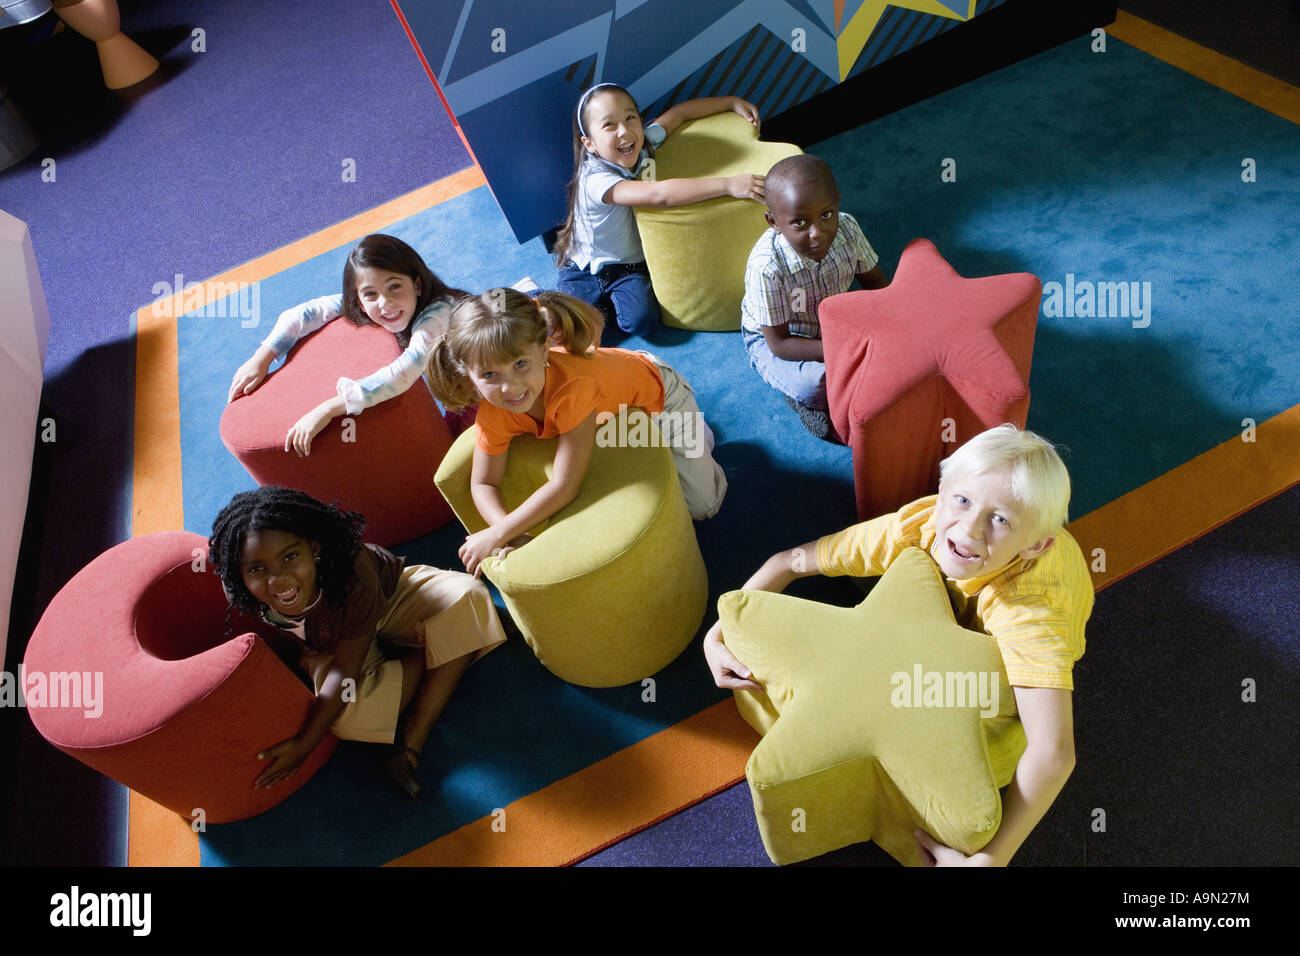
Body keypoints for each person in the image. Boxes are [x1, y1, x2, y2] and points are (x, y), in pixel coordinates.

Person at [703, 424, 1093, 865]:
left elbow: (1054, 752)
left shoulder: (1031, 614)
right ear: (942, 490)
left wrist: (994, 858)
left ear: (1035, 545)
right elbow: (791, 561)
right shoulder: (921, 525)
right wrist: (720, 631)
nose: (968, 530)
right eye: (963, 501)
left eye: (1000, 520)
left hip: (1016, 634)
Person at [208, 486, 506, 799]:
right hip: (326, 643)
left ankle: (409, 747)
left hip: (385, 601)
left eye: (291, 557)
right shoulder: (239, 590)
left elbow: (345, 669)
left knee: (468, 596)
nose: (278, 579)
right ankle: (436, 646)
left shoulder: (353, 568)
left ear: (314, 548)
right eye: (257, 569)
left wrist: (305, 744)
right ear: (240, 573)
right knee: (349, 721)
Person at [426, 288, 727, 576]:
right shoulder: (493, 413)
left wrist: (498, 534)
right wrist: (510, 533)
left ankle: (699, 432)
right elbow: (483, 483)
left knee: (703, 506)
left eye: (520, 364)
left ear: (544, 349)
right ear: (467, 372)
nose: (510, 387)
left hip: (660, 396)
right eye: (490, 374)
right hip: (608, 416)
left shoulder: (574, 388)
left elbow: (564, 486)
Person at [553, 82, 767, 337]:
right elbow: (659, 194)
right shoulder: (594, 180)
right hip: (583, 267)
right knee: (567, 330)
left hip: (626, 267)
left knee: (644, 322)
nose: (624, 131)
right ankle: (537, 297)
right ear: (589, 144)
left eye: (630, 117)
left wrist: (730, 102)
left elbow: (679, 114)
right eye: (609, 125)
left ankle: (603, 308)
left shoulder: (642, 144)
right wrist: (729, 184)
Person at [227, 234, 470, 456]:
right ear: (359, 301)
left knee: (458, 461)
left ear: (417, 285)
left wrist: (327, 409)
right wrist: (262, 357)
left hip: (489, 393)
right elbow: (307, 313)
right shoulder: (370, 305)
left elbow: (402, 374)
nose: (385, 303)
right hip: (462, 395)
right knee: (445, 444)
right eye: (371, 294)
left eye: (394, 286)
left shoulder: (438, 314)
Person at [740, 154, 889, 440]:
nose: (818, 233)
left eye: (826, 214)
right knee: (814, 384)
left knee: (894, 354)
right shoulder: (766, 267)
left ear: (837, 201)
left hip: (833, 322)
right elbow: (780, 344)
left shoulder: (847, 228)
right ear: (774, 222)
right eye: (799, 222)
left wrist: (890, 325)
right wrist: (845, 351)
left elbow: (875, 283)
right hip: (779, 338)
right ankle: (801, 399)